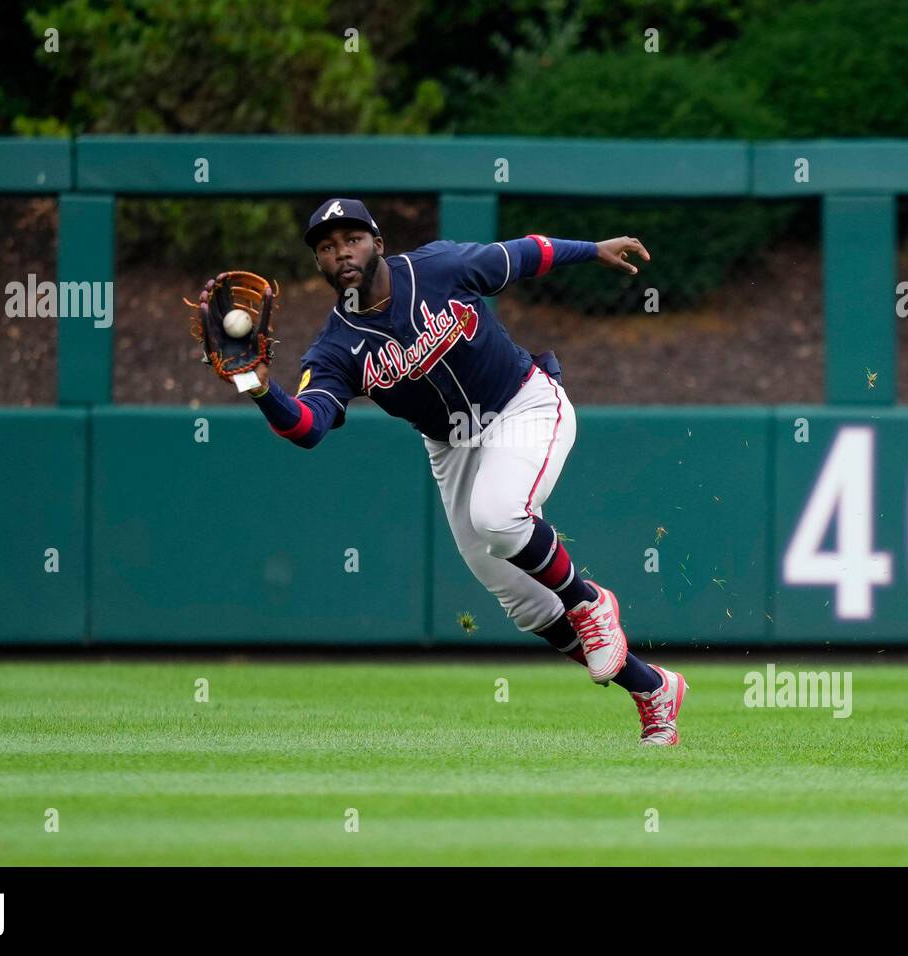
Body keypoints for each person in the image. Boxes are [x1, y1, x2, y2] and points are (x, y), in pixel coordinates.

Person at [242, 198, 687, 745]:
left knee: (500, 519)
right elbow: (310, 427)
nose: (341, 252)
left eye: (352, 239)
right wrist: (260, 389)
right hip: (450, 447)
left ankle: (589, 602)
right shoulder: (336, 348)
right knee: (526, 603)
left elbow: (526, 254)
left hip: (523, 404)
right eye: (327, 247)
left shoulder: (438, 267)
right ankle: (653, 690)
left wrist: (593, 250)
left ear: (377, 244)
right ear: (320, 265)